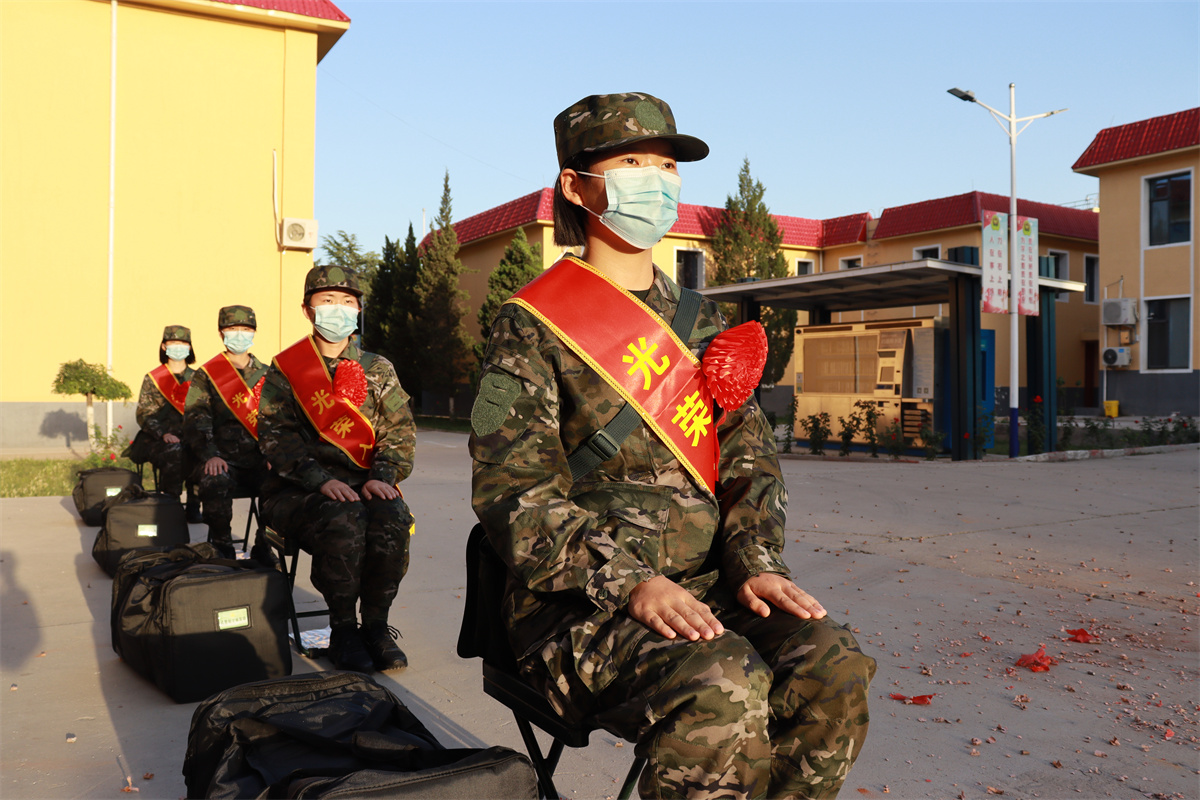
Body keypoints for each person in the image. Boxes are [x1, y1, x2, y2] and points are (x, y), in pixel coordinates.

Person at [469, 92, 875, 799]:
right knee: (721, 684)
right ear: (576, 186)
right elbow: (515, 496)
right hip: (579, 605)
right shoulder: (531, 324)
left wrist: (754, 563)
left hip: (705, 588)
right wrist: (631, 582)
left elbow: (750, 462)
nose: (656, 181)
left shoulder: (701, 322)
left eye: (666, 166)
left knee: (831, 662)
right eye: (632, 163)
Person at [258, 264, 416, 674]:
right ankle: (343, 627)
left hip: (365, 484)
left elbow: (399, 432)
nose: (338, 308)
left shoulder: (378, 368)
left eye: (347, 301)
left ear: (359, 310)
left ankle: (376, 625)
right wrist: (321, 481)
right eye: (327, 300)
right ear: (308, 310)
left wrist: (383, 476)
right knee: (344, 517)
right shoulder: (287, 368)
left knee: (393, 516)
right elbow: (276, 438)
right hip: (297, 491)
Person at [183, 305, 271, 559]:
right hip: (222, 459)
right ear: (222, 333)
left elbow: (278, 419)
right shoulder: (208, 374)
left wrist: (275, 455)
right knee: (215, 479)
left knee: (284, 482)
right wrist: (210, 454)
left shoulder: (268, 374)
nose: (239, 334)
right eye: (233, 329)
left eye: (245, 328)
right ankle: (223, 548)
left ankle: (264, 547)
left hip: (259, 459)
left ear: (254, 332)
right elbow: (197, 418)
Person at [130, 324, 197, 519]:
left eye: (183, 343)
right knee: (174, 451)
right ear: (164, 346)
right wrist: (163, 434)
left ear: (190, 347)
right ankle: (171, 504)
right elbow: (144, 413)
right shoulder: (153, 378)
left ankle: (194, 503)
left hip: (190, 436)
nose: (178, 347)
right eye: (173, 342)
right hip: (159, 439)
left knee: (201, 450)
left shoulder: (198, 378)